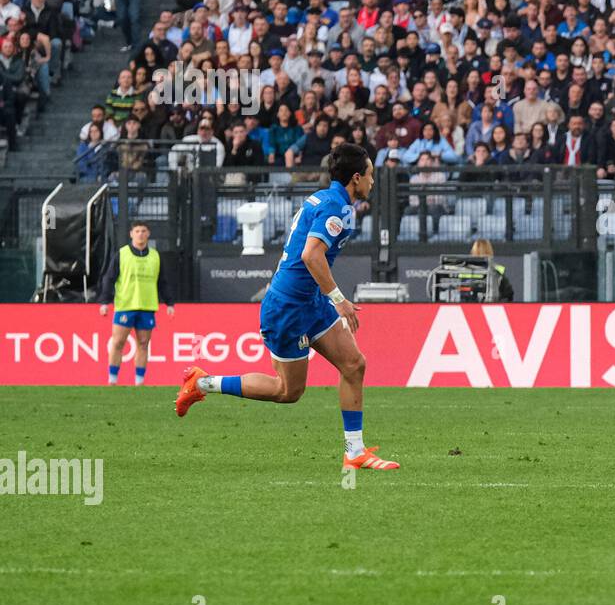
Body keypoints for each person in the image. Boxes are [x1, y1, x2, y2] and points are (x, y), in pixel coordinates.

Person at [174, 144, 399, 471]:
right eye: (370, 176)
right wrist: (340, 300)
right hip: (288, 307)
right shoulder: (335, 207)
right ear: (355, 178)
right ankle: (202, 382)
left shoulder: (327, 199)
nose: (372, 182)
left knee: (354, 365)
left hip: (310, 301)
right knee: (287, 391)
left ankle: (355, 452)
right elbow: (310, 255)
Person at [97, 221, 175, 385]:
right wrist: (105, 301)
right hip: (125, 306)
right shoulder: (122, 254)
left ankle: (139, 382)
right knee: (118, 342)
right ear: (131, 234)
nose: (140, 234)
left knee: (143, 343)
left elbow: (163, 281)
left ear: (148, 234)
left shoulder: (155, 256)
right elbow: (109, 278)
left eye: (143, 231)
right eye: (137, 231)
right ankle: (112, 380)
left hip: (147, 306)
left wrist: (169, 303)